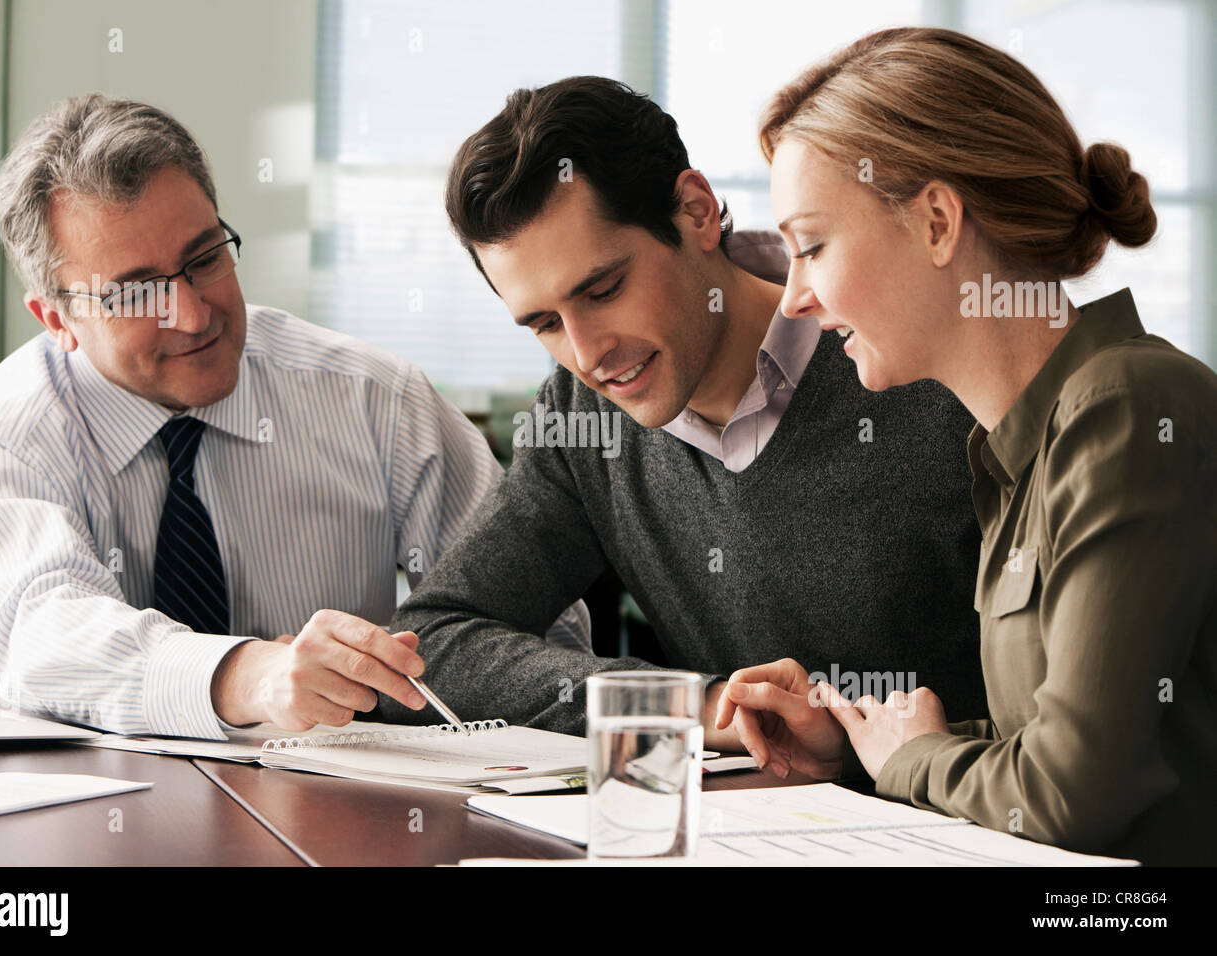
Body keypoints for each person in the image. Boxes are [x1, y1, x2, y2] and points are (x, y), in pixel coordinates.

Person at [0, 94, 587, 740]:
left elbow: (539, 633)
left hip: (347, 823)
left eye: (204, 259)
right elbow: (40, 638)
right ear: (57, 319)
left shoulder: (377, 400)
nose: (192, 314)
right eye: (138, 291)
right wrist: (246, 675)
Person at [376, 75, 989, 757]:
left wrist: (863, 750)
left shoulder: (918, 359)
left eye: (604, 289)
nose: (588, 354)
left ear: (696, 211)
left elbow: (1083, 727)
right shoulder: (585, 418)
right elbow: (430, 645)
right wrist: (686, 704)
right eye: (545, 323)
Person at [719, 26, 1217, 863]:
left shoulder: (1127, 408)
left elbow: (1071, 795)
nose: (794, 297)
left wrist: (913, 760)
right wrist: (857, 746)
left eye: (811, 246)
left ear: (939, 222)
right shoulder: (1018, 449)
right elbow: (1059, 739)